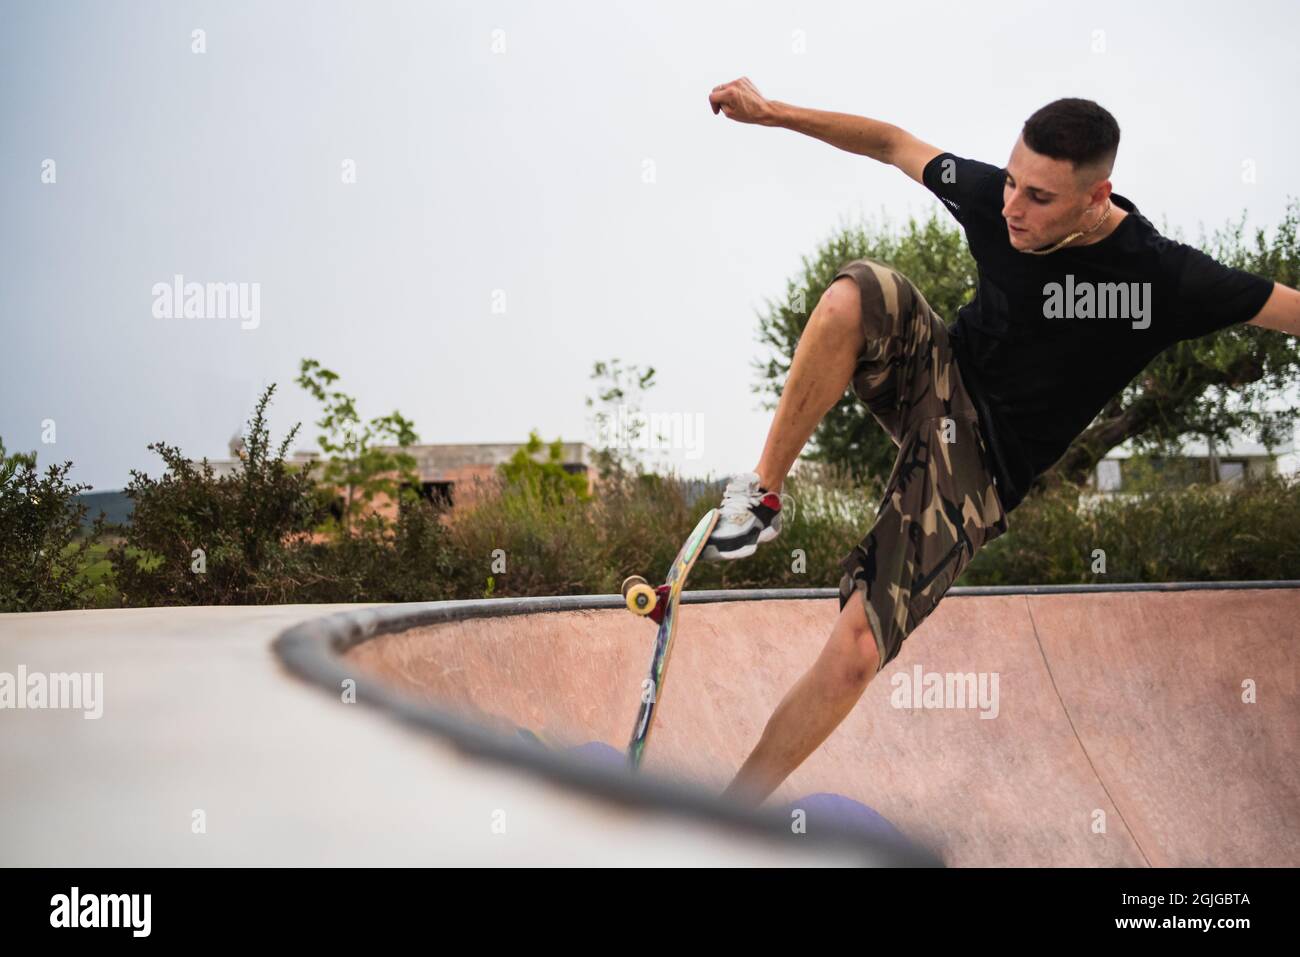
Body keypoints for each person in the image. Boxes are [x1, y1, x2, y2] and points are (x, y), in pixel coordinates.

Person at [703, 77, 1300, 806]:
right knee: (854, 295)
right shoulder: (996, 200)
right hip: (934, 379)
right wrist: (771, 112)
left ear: (1096, 195)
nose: (1012, 208)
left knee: (858, 645)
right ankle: (762, 492)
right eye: (1011, 182)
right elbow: (893, 144)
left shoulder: (1165, 278)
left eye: (1039, 198)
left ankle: (726, 815)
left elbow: (1286, 308)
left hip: (980, 467)